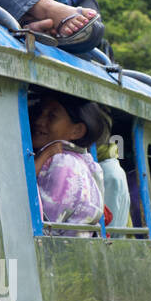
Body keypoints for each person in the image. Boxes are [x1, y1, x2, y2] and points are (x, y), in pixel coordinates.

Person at [30, 92, 107, 233]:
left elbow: (42, 228)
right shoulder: (83, 162)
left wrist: (43, 157)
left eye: (51, 116)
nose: (39, 121)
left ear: (77, 131)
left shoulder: (62, 163)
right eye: (40, 112)